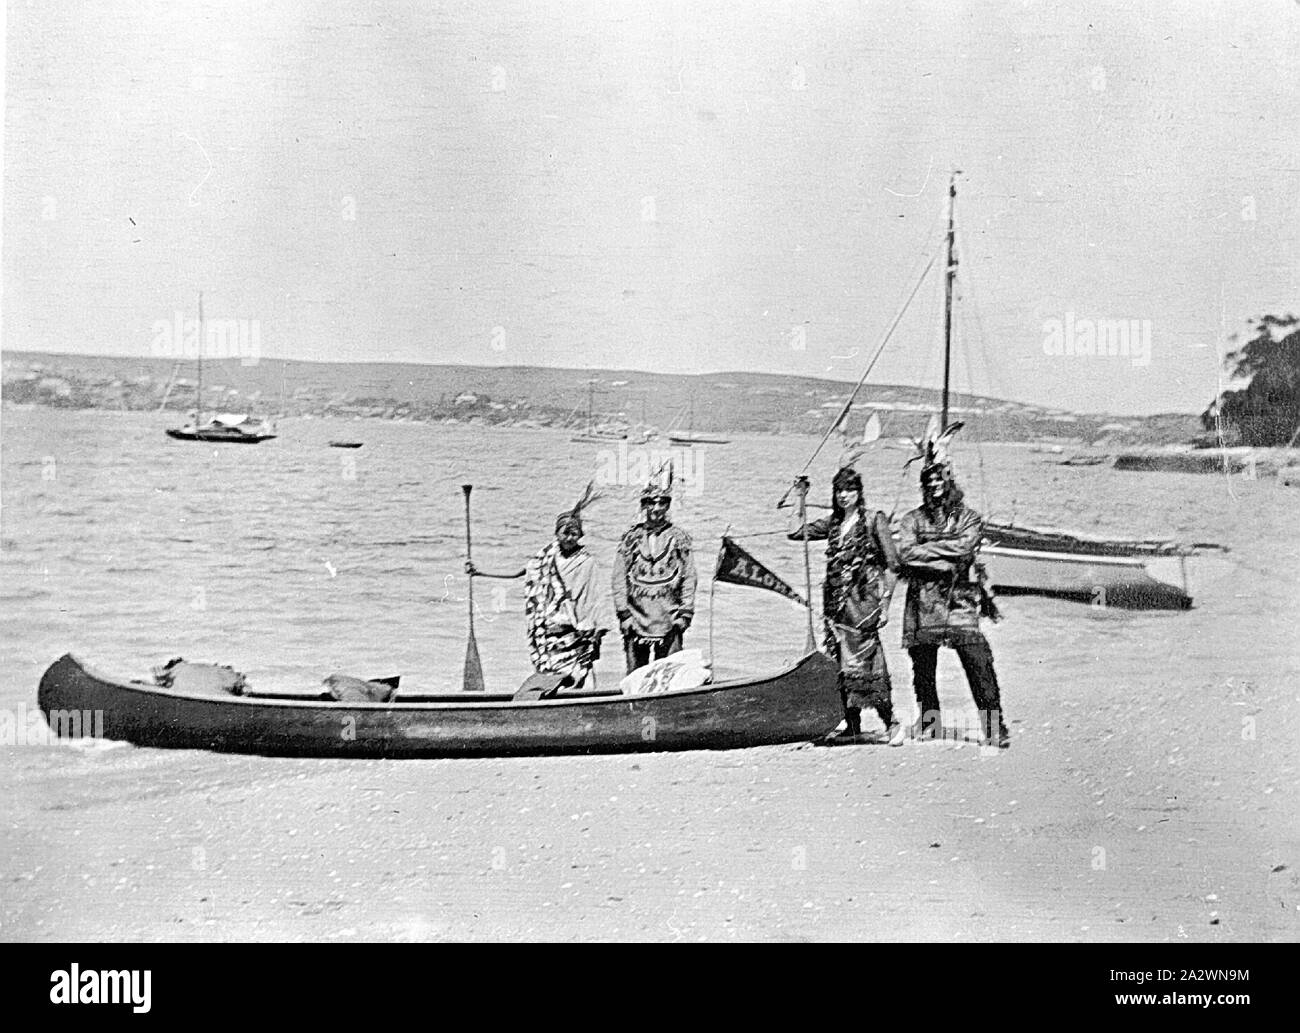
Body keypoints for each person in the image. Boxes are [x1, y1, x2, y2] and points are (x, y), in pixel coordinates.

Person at [895, 449, 1009, 748]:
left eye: (939, 481)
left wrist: (929, 552)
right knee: (922, 666)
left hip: (960, 599)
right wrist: (946, 558)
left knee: (978, 661)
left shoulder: (969, 517)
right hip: (923, 599)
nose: (934, 486)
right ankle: (931, 723)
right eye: (928, 482)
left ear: (949, 483)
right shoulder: (912, 519)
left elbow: (967, 547)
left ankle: (994, 727)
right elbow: (904, 552)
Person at [789, 465, 904, 745]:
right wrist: (799, 497)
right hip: (835, 604)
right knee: (840, 662)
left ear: (859, 493)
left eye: (849, 490)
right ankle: (853, 726)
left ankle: (892, 724)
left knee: (868, 663)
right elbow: (794, 532)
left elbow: (893, 565)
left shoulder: (874, 520)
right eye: (839, 490)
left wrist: (886, 604)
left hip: (864, 602)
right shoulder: (833, 523)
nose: (844, 496)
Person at [466, 489, 607, 690]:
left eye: (574, 534)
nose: (569, 538)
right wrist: (480, 572)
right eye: (564, 533)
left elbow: (593, 601)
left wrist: (593, 635)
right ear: (556, 534)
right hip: (548, 633)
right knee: (550, 679)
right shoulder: (546, 558)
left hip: (575, 633)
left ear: (580, 535)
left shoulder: (587, 562)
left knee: (581, 677)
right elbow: (519, 573)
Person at [612, 468, 697, 673]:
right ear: (644, 506)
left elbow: (689, 577)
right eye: (651, 502)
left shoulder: (678, 538)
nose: (657, 508)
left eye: (662, 503)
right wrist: (623, 614)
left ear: (668, 506)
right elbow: (618, 579)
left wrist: (685, 613)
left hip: (670, 619)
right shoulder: (631, 538)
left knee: (669, 676)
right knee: (635, 677)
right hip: (636, 619)